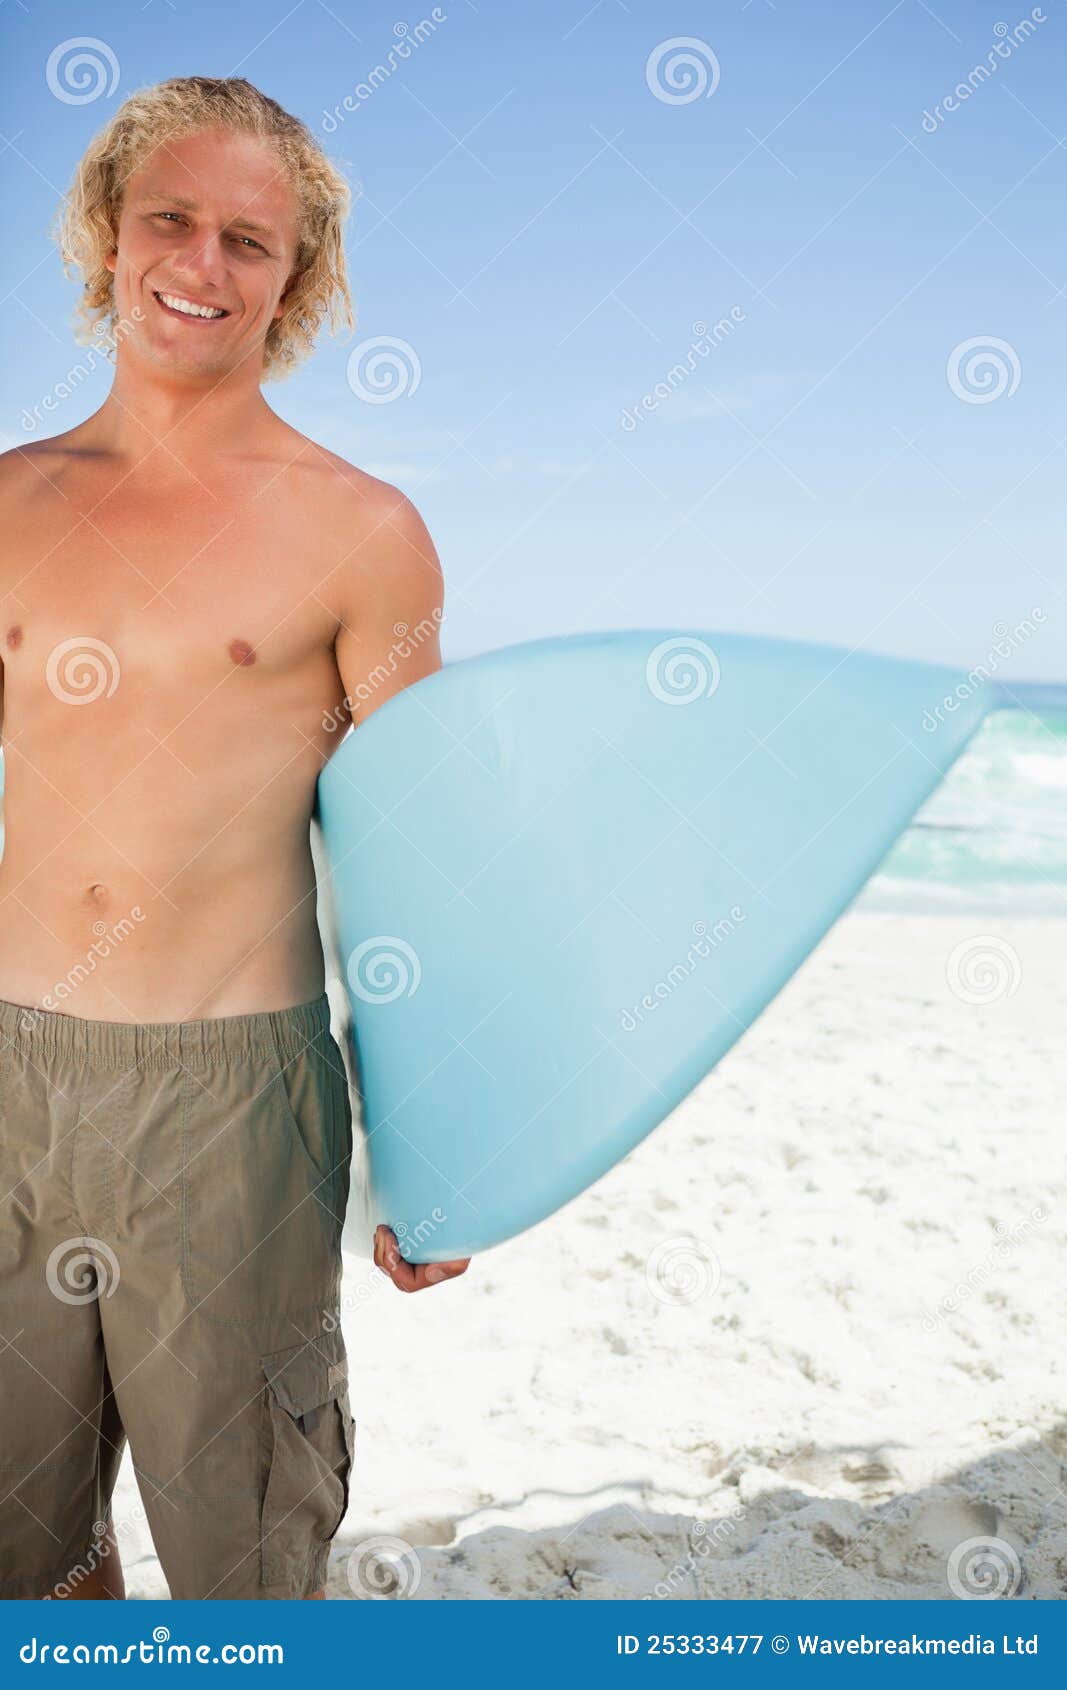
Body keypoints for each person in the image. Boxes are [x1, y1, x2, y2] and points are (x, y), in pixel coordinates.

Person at [0, 74, 469, 1603]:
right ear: (107, 233)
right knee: (21, 1556)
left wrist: (440, 1148)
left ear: (298, 275)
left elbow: (415, 864)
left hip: (233, 1103)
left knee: (247, 1560)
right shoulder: (10, 501)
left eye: (249, 241)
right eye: (172, 221)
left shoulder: (361, 529)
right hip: (11, 1076)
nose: (202, 265)